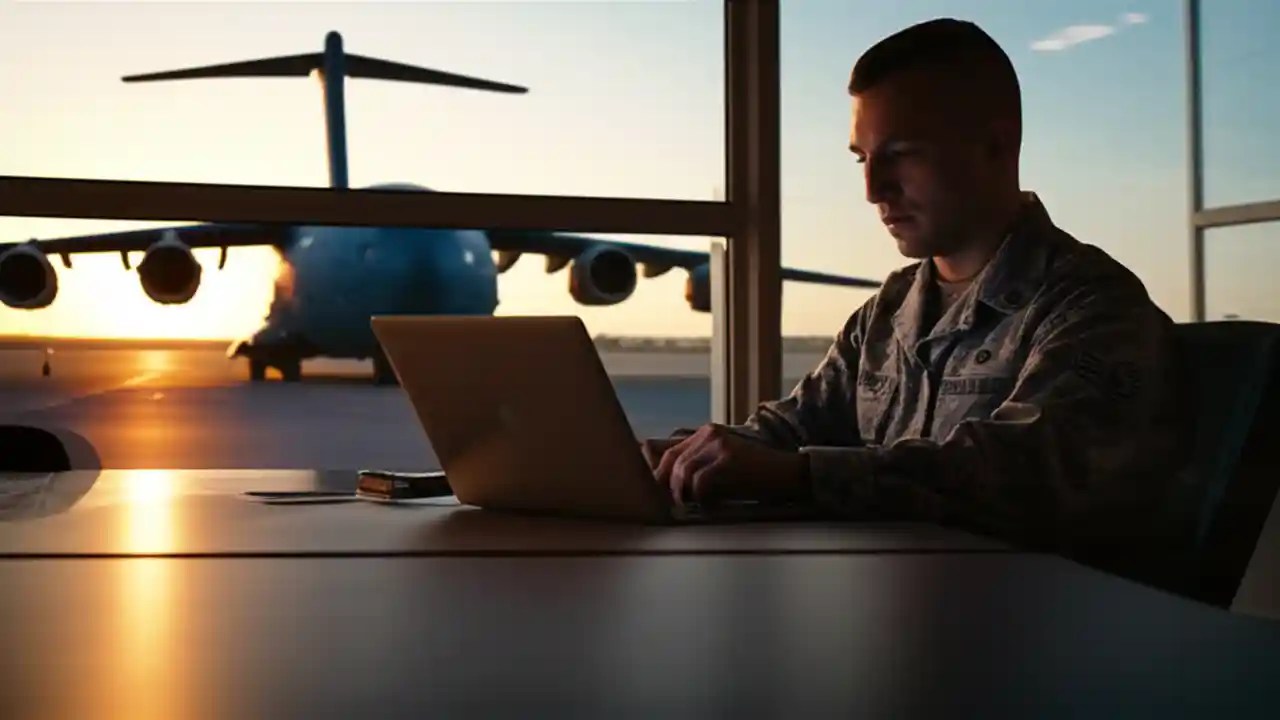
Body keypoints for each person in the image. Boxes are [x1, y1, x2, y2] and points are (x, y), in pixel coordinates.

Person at [642, 18, 1185, 569]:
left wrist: (798, 473)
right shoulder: (889, 312)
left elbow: (1019, 477)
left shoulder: (1092, 306)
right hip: (898, 602)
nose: (873, 189)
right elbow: (793, 427)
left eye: (902, 154)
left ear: (995, 146)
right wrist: (686, 456)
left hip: (1033, 624)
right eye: (863, 158)